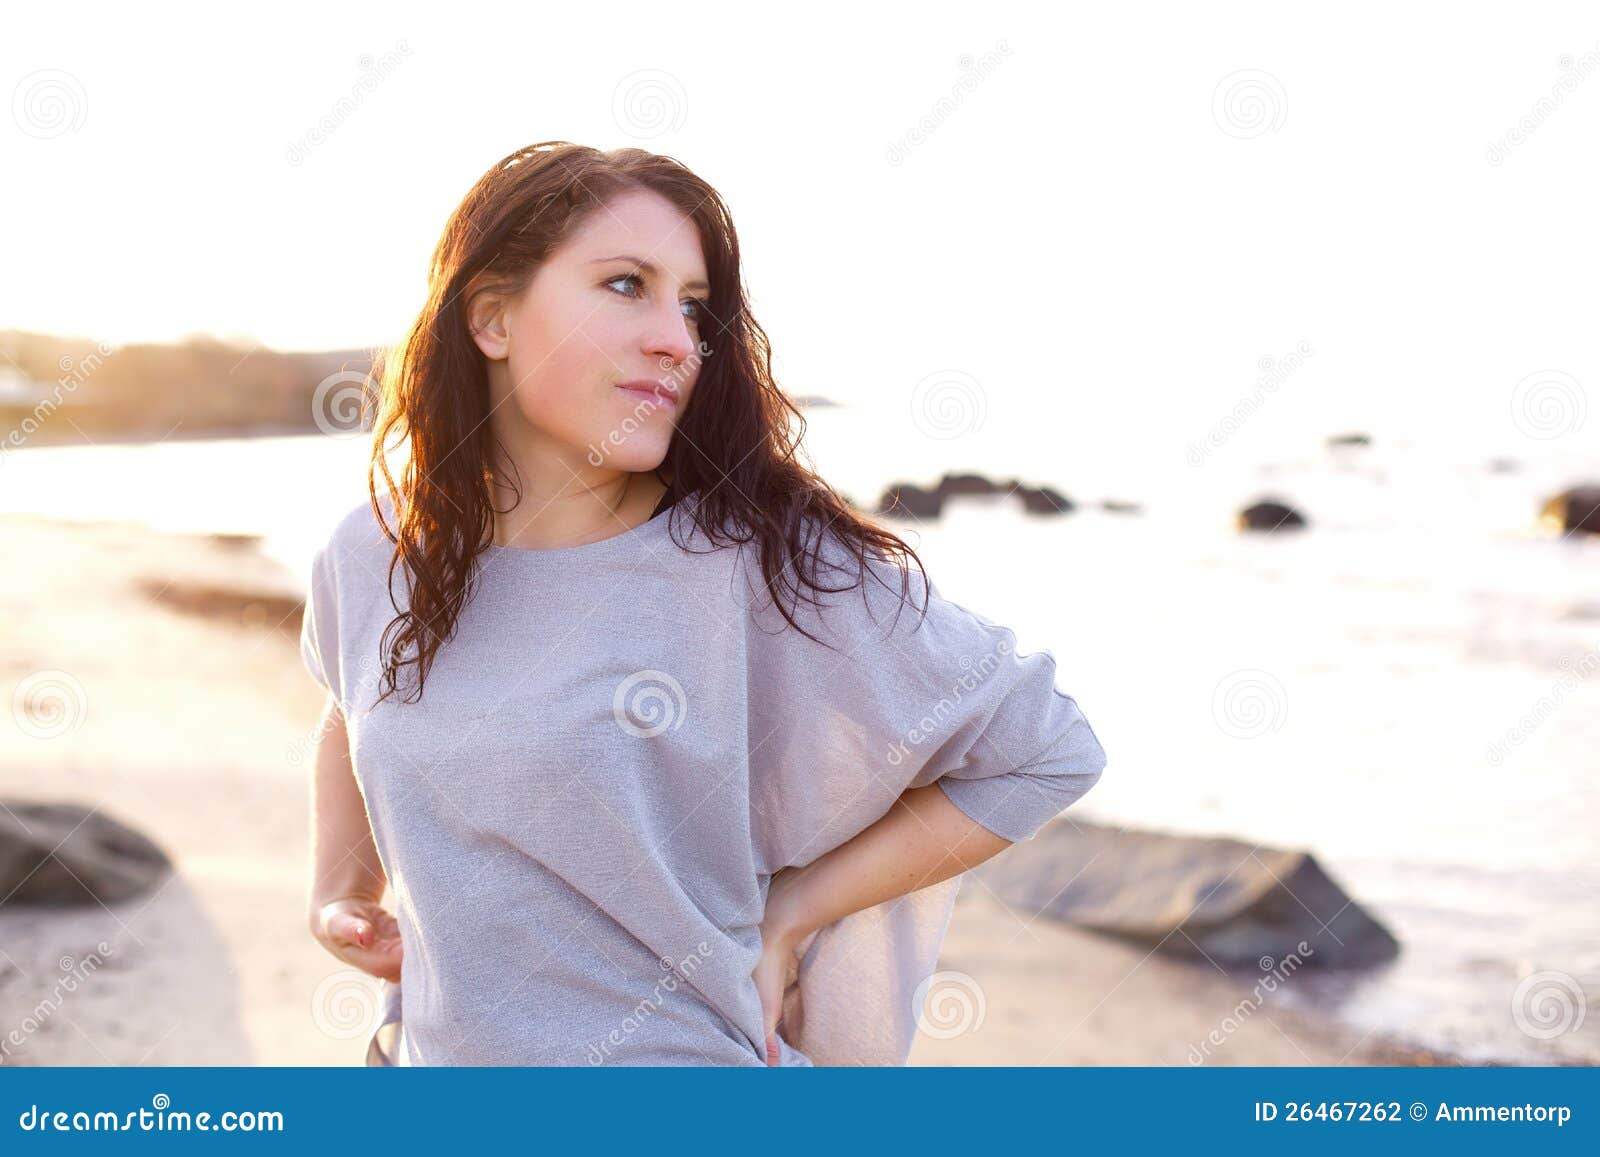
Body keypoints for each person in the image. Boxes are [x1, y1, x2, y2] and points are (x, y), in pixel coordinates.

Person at [301, 141, 1108, 1066]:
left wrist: (794, 915)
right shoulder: (374, 554)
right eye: (624, 285)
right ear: (491, 317)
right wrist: (338, 887)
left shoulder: (760, 564)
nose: (677, 340)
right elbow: (348, 696)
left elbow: (1042, 748)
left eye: (692, 307)